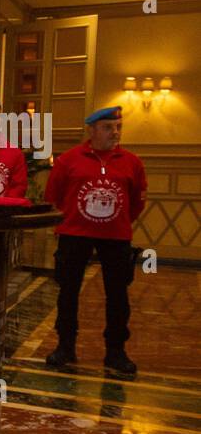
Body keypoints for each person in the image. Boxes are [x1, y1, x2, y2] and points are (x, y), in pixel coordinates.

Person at [44, 105, 146, 378]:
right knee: (68, 292)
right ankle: (65, 346)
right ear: (92, 130)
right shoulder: (69, 160)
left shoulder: (132, 162)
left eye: (118, 127)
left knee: (118, 296)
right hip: (74, 235)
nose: (115, 132)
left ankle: (116, 352)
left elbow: (137, 202)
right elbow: (53, 195)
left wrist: (115, 221)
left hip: (116, 237)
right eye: (108, 127)